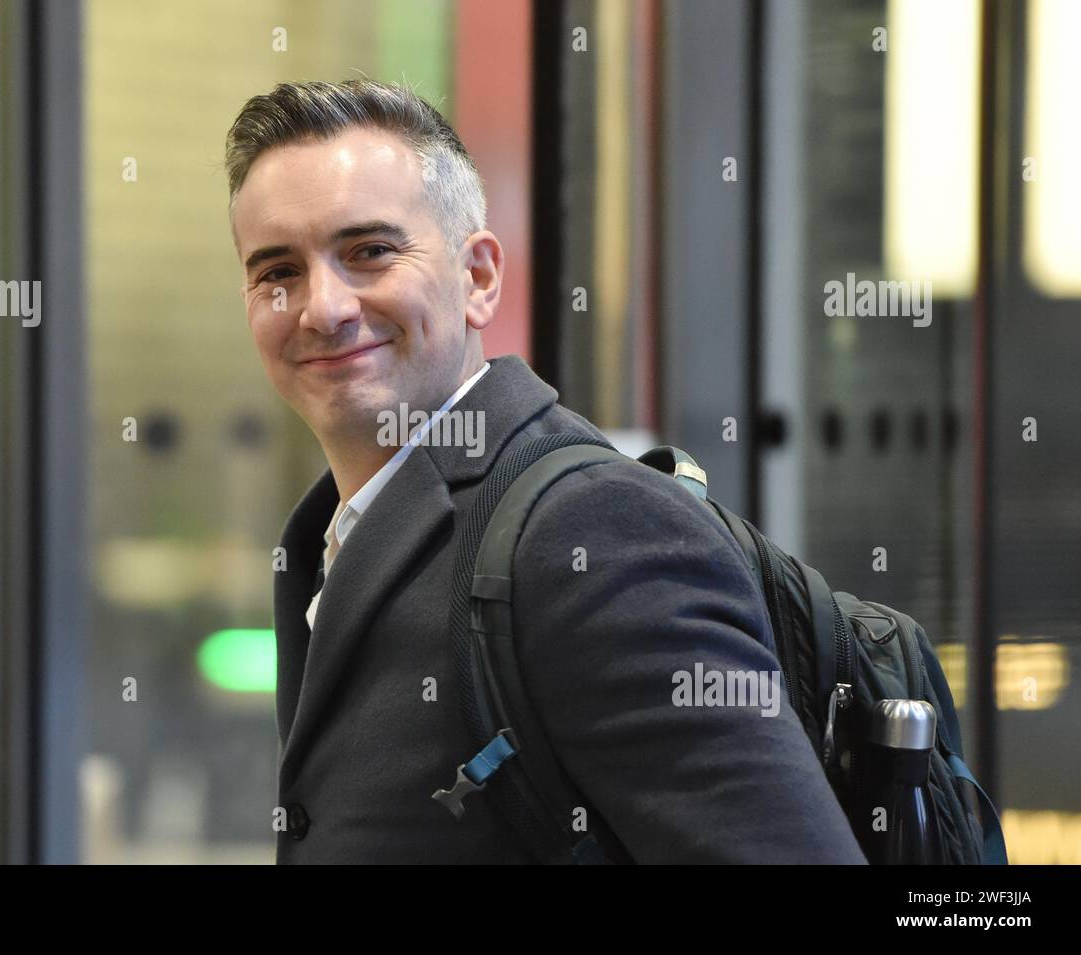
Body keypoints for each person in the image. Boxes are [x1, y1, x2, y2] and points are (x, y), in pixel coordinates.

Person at [226, 79, 866, 864]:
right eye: (277, 271)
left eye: (370, 252)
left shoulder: (596, 533)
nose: (322, 307)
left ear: (480, 277)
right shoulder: (336, 532)